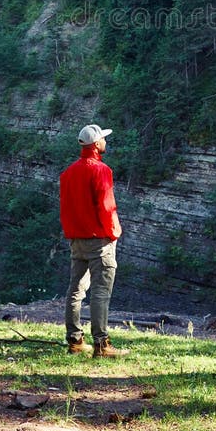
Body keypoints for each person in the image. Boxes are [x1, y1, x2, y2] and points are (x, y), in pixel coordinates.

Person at [59, 123, 128, 358]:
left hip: (76, 239)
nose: (106, 143)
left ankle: (75, 340)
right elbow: (107, 207)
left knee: (75, 289)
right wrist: (114, 233)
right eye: (104, 140)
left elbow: (66, 208)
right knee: (100, 291)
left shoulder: (68, 173)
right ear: (97, 144)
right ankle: (102, 344)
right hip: (99, 240)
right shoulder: (101, 170)